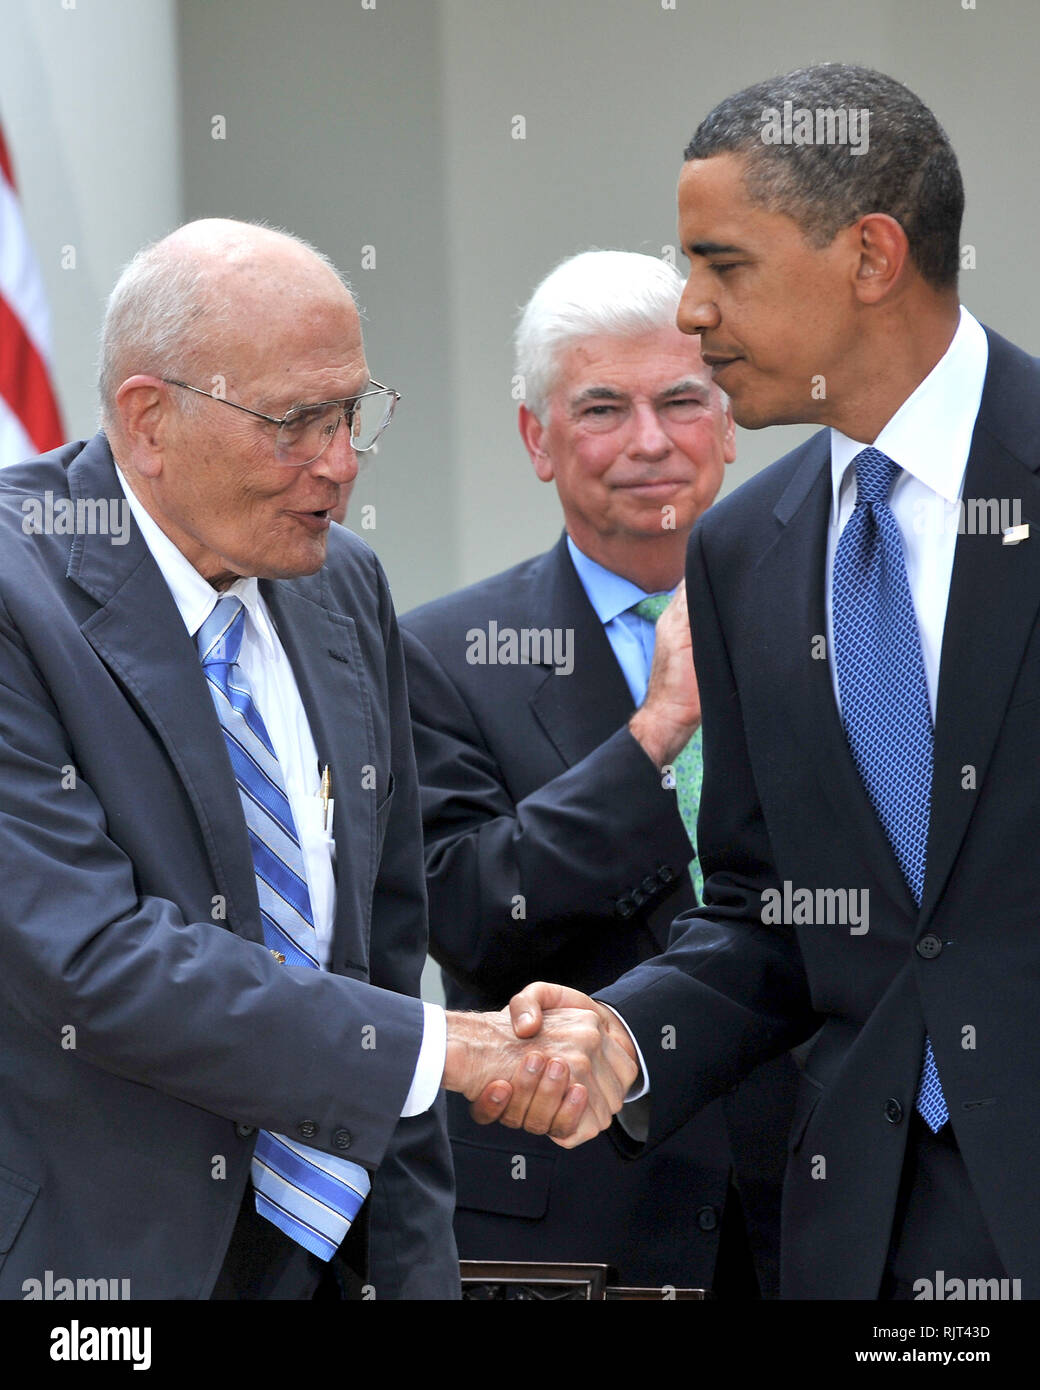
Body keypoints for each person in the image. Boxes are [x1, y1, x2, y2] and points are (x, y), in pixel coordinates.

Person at [484, 63, 1040, 1300]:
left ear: (871, 254)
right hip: (862, 1234)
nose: (688, 312)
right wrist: (625, 1037)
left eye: (720, 264)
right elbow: (764, 914)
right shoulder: (743, 552)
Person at [0, 218, 633, 1301]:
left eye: (351, 413)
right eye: (294, 423)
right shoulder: (22, 598)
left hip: (346, 1255)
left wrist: (415, 1267)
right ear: (149, 420)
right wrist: (448, 1050)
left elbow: (385, 952)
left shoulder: (342, 585)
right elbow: (93, 959)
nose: (339, 465)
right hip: (107, 1270)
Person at [402, 250, 797, 1294]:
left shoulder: (833, 617)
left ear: (725, 420)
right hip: (573, 1208)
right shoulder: (440, 651)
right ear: (537, 438)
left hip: (814, 1187)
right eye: (601, 409)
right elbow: (465, 910)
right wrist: (654, 732)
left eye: (679, 400)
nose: (649, 442)